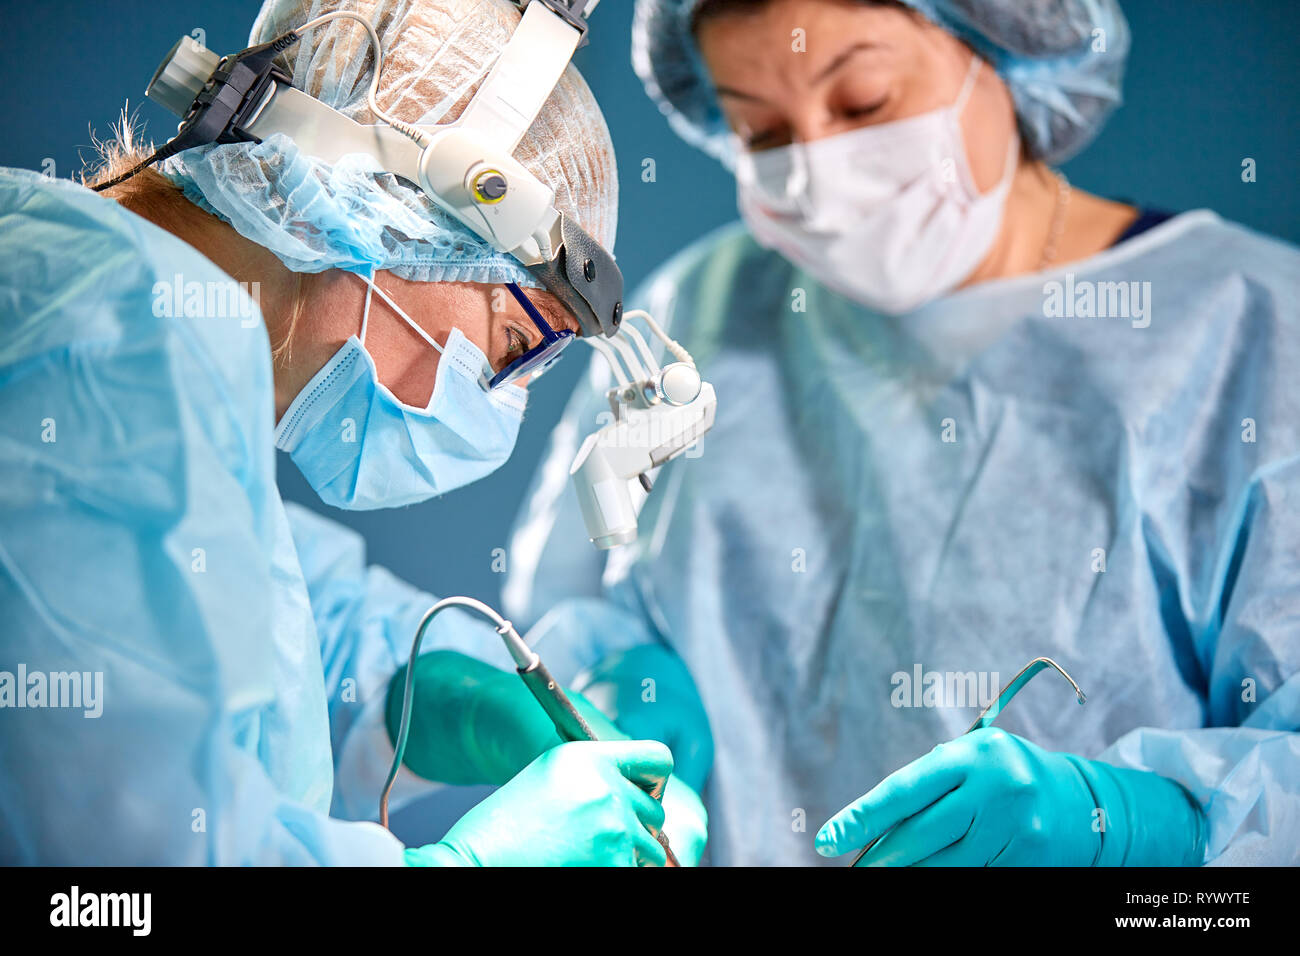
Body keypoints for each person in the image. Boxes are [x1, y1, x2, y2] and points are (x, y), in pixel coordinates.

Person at [504, 0, 1300, 865]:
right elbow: (578, 601)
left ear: (1003, 46)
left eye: (864, 102)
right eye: (762, 132)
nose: (818, 173)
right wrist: (614, 684)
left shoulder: (1251, 333)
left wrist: (1148, 824)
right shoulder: (696, 316)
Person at [0, 0, 706, 866]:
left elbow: (256, 624)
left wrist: (436, 698)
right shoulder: (107, 362)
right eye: (517, 346)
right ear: (397, 203)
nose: (496, 401)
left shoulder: (93, 317)